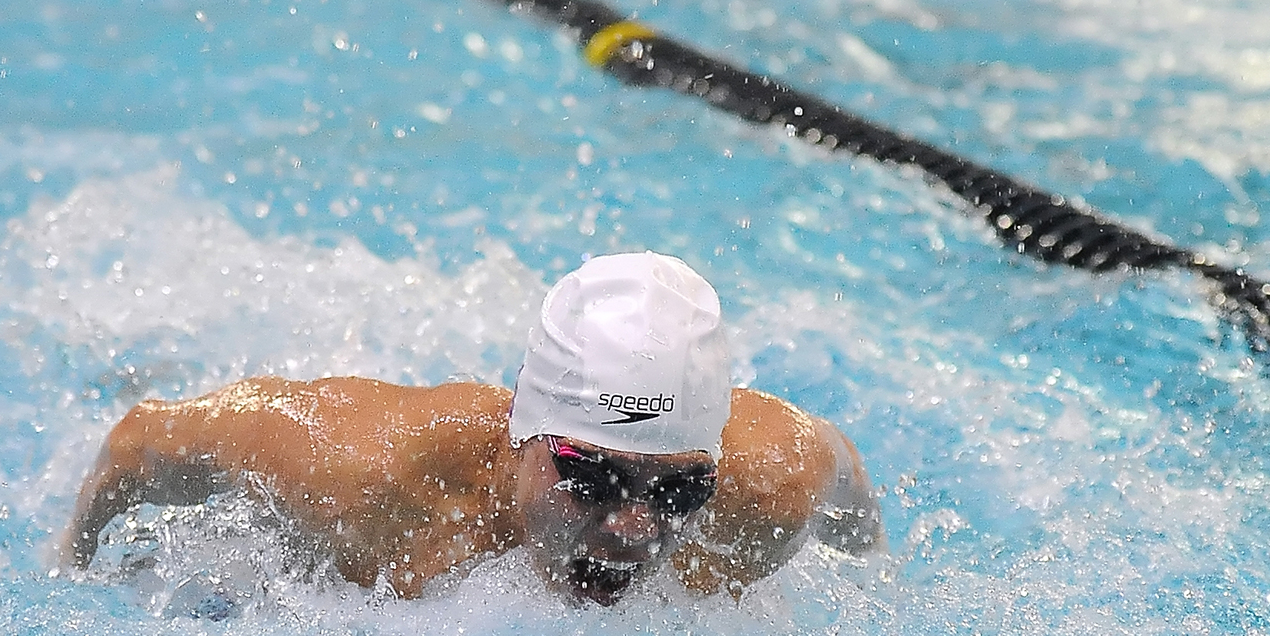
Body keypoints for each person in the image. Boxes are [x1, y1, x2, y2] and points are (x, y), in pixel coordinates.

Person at [65, 252, 882, 605]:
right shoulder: (359, 474)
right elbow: (141, 439)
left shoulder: (770, 485)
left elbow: (843, 473)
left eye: (678, 488)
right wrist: (66, 567)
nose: (636, 525)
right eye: (593, 477)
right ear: (525, 431)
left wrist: (880, 578)